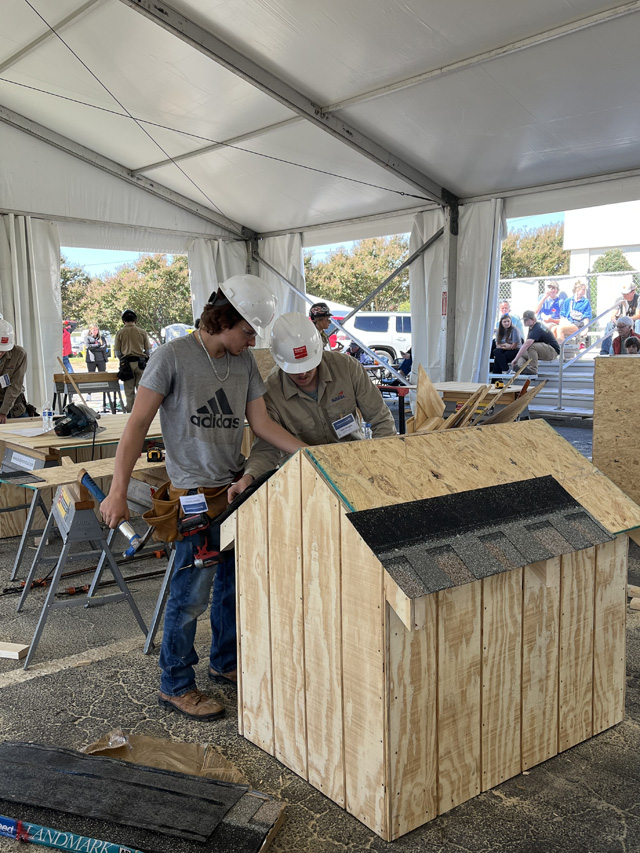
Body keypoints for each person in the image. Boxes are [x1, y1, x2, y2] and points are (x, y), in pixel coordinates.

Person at [100, 275, 307, 722]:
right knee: (190, 594)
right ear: (223, 319)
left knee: (232, 586)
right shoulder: (171, 357)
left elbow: (262, 424)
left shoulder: (245, 362)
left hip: (233, 490)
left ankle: (225, 663)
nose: (252, 341)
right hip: (192, 497)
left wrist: (311, 456)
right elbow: (136, 425)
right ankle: (175, 684)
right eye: (247, 331)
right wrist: (118, 490)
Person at [230, 312, 396, 491]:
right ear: (279, 360)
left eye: (308, 365)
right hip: (306, 479)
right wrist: (250, 477)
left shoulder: (347, 368)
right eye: (294, 369)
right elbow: (266, 449)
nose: (303, 373)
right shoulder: (271, 393)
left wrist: (382, 462)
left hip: (356, 469)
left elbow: (381, 419)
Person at [114, 310, 152, 413]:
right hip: (141, 363)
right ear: (135, 320)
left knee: (129, 392)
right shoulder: (142, 332)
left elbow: (117, 352)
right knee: (141, 391)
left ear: (123, 321)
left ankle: (131, 413)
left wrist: (124, 358)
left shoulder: (120, 332)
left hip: (127, 365)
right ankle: (142, 412)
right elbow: (148, 351)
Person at [511, 310, 560, 376]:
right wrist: (518, 357)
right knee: (521, 353)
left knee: (530, 346)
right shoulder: (532, 327)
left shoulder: (537, 328)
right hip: (543, 350)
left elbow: (527, 345)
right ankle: (521, 368)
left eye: (526, 320)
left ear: (533, 319)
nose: (524, 322)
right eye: (524, 320)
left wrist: (515, 359)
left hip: (552, 351)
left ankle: (533, 369)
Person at [0, 319, 29, 423]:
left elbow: (15, 386)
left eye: (3, 350)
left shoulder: (19, 354)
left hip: (14, 403)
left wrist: (3, 412)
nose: (0, 353)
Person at [600, 281, 640, 354]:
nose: (624, 295)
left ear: (633, 292)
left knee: (638, 323)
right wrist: (615, 320)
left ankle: (637, 348)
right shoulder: (619, 299)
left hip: (633, 321)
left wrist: (627, 319)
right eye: (623, 293)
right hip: (621, 322)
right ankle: (604, 352)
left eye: (626, 293)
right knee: (609, 325)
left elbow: (638, 315)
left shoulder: (638, 299)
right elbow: (613, 315)